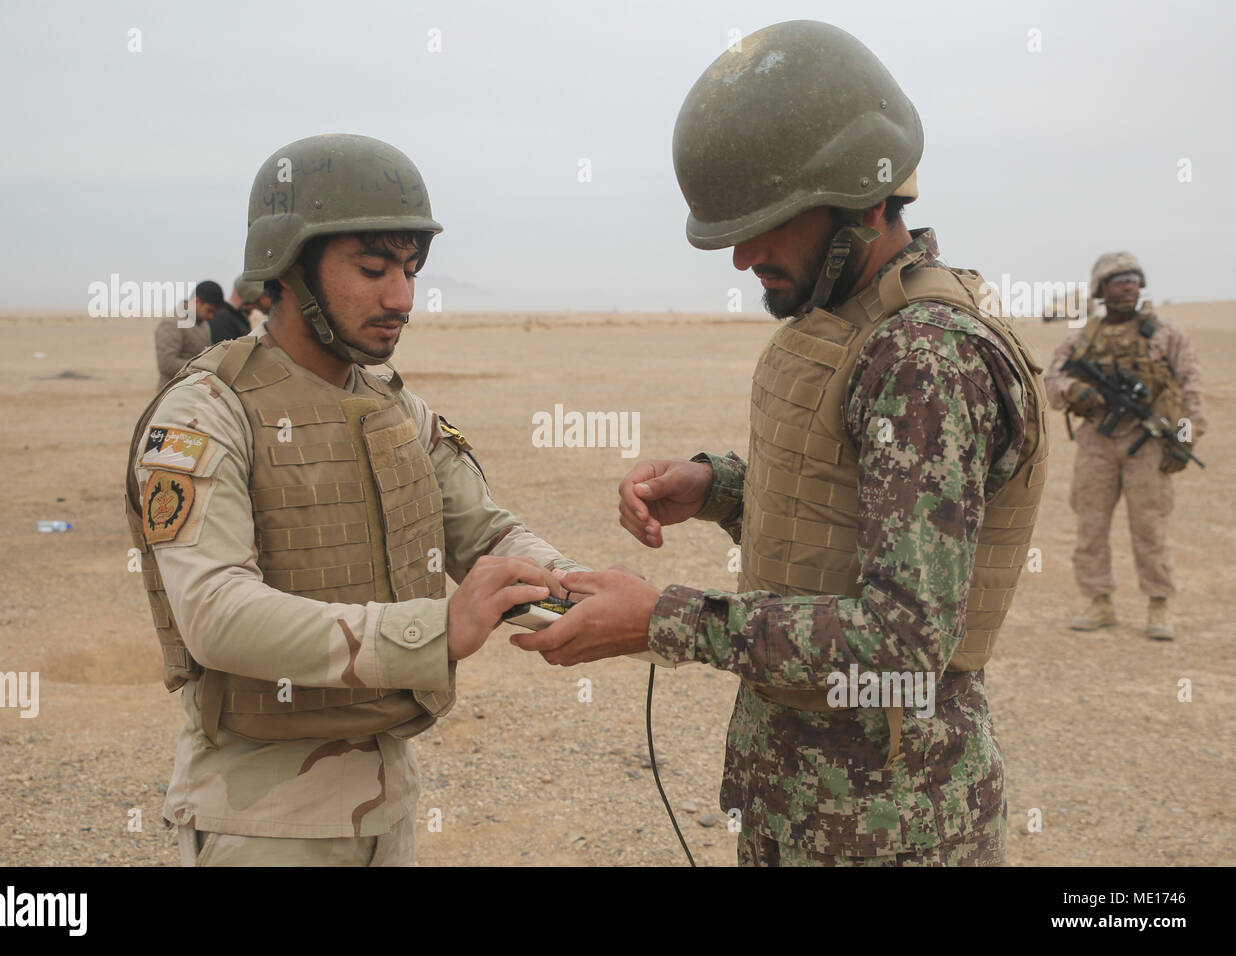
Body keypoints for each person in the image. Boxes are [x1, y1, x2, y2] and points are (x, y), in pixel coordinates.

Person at [513, 20, 1048, 867]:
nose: (742, 256)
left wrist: (666, 619)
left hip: (890, 827)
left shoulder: (926, 356)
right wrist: (718, 488)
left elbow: (905, 641)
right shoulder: (853, 323)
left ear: (864, 201)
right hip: (804, 808)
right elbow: (853, 507)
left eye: (769, 223)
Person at [124, 133, 581, 866]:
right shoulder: (206, 412)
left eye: (408, 269)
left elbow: (486, 534)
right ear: (289, 269)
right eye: (372, 269)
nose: (400, 297)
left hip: (385, 805)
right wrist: (435, 630)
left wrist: (576, 591)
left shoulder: (396, 408)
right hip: (264, 825)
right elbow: (215, 614)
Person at [1043, 252, 1206, 639]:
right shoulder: (1083, 336)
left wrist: (1183, 442)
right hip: (1097, 442)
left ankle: (1158, 604)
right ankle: (1099, 601)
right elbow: (1052, 380)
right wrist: (1076, 390)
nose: (1130, 285)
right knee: (1090, 526)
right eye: (1120, 280)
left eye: (1135, 278)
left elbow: (1191, 391)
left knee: (1149, 527)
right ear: (1102, 289)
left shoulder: (1167, 334)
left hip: (1147, 444)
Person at [153, 280, 215, 389]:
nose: (211, 316)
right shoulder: (172, 323)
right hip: (171, 392)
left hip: (195, 390)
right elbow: (166, 364)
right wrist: (204, 366)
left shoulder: (204, 325)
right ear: (196, 301)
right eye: (209, 310)